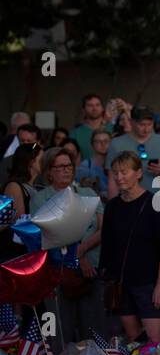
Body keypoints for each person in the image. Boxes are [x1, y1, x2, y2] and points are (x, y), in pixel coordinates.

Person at [99, 153, 160, 344]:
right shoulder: (113, 206)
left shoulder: (155, 204)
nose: (119, 177)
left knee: (155, 340)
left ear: (139, 173)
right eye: (115, 173)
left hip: (148, 282)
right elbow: (107, 244)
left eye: (124, 172)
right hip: (121, 283)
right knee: (133, 339)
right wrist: (106, 278)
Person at [32, 146, 105, 341]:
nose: (66, 170)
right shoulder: (41, 199)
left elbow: (103, 229)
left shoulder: (88, 193)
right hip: (58, 273)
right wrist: (77, 257)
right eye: (60, 166)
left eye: (69, 165)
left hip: (91, 269)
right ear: (49, 172)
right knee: (60, 331)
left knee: (93, 329)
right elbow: (50, 234)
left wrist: (81, 251)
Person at [108, 107, 160, 196]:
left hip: (158, 200)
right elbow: (112, 179)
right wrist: (112, 205)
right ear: (131, 122)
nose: (146, 129)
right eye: (142, 124)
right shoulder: (116, 144)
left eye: (149, 124)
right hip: (126, 200)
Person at [69, 94, 108, 164]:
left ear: (102, 108)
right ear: (83, 109)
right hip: (85, 173)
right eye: (90, 105)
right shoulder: (75, 133)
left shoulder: (113, 128)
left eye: (97, 105)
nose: (94, 108)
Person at [76, 129, 112, 196]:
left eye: (106, 141)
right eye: (98, 141)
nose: (103, 144)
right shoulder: (85, 166)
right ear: (92, 144)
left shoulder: (116, 164)